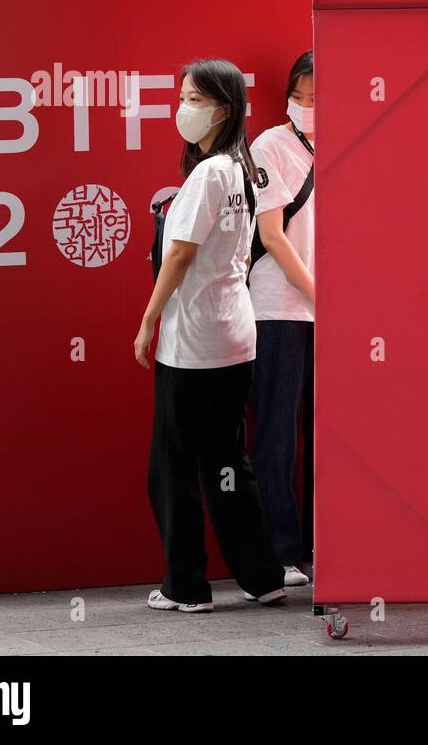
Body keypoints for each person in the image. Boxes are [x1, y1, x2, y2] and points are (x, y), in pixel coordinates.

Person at [134, 57, 286, 613]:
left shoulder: (210, 173)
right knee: (226, 462)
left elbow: (178, 254)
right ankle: (261, 575)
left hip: (194, 342)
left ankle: (186, 587)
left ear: (222, 108)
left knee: (172, 468)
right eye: (182, 97)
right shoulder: (242, 167)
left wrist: (149, 319)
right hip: (234, 337)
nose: (183, 109)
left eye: (194, 100)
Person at [248, 51, 317, 587]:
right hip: (278, 308)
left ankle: (324, 546)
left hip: (333, 317)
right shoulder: (270, 144)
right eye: (306, 89)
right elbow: (271, 235)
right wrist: (322, 296)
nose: (312, 100)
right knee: (275, 431)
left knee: (327, 435)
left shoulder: (353, 141)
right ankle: (280, 550)